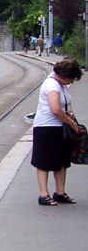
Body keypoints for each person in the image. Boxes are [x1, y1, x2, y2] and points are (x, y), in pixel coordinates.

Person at [31, 58, 83, 205]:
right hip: (46, 127)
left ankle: (60, 192)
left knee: (61, 161)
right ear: (64, 75)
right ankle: (43, 194)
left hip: (60, 127)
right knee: (44, 161)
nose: (71, 82)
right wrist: (72, 124)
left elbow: (66, 104)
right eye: (71, 79)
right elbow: (55, 110)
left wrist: (70, 116)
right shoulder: (51, 84)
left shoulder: (61, 84)